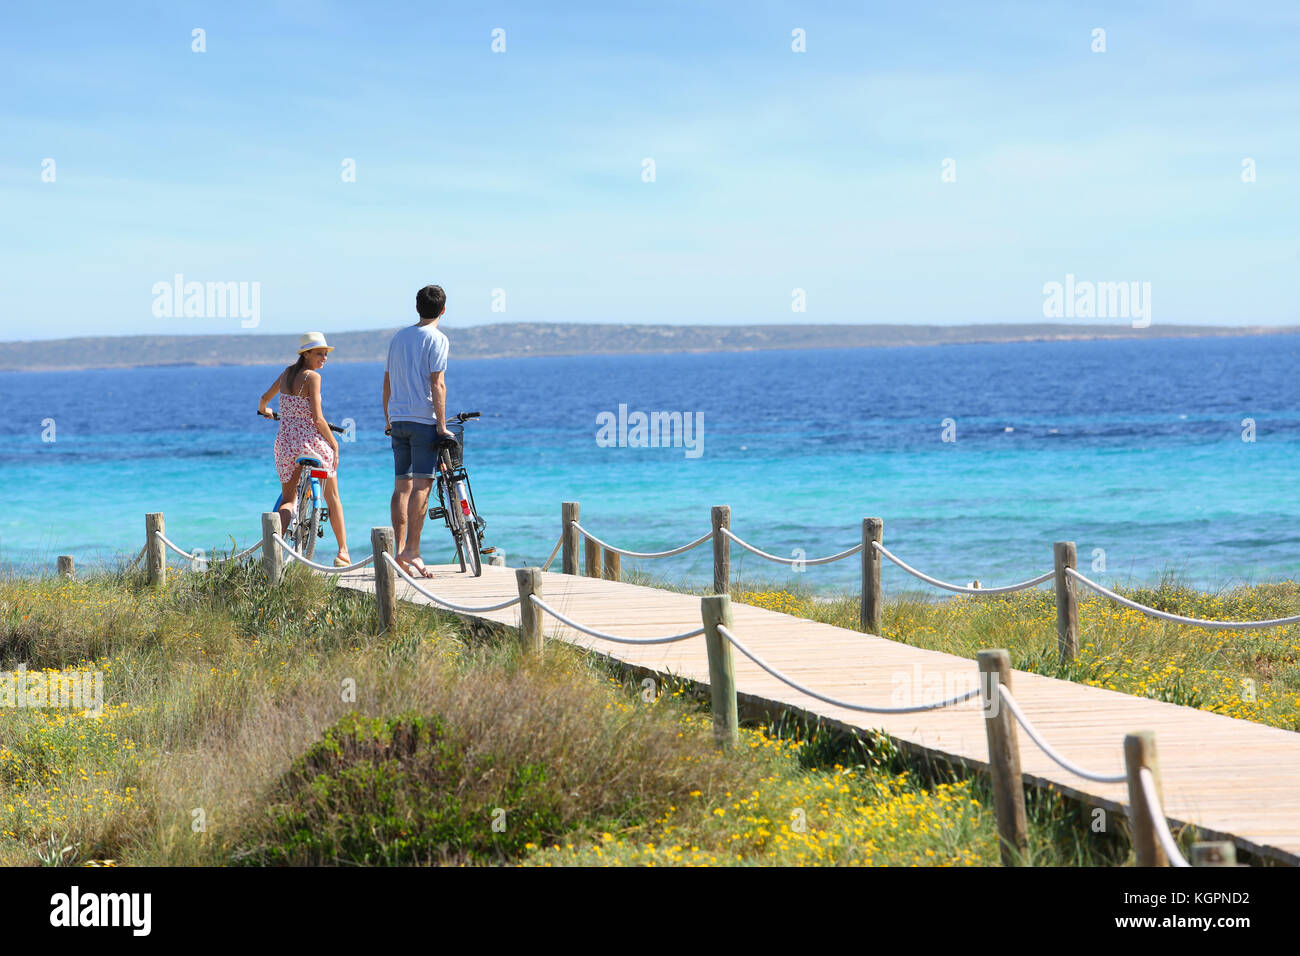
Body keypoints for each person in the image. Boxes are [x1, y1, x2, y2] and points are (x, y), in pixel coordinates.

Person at [257, 332, 351, 566]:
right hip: (310, 443)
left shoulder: (287, 373)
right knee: (333, 497)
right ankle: (343, 552)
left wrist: (266, 411)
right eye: (319, 353)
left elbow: (263, 399)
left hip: (285, 444)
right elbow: (318, 419)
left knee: (288, 500)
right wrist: (335, 443)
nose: (324, 358)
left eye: (325, 354)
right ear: (306, 354)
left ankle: (272, 548)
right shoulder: (312, 377)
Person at [383, 285, 454, 578]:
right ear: (443, 310)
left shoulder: (399, 337)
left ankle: (400, 552)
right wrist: (441, 425)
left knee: (402, 487)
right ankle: (412, 550)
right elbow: (437, 384)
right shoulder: (437, 339)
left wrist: (388, 418)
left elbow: (387, 382)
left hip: (398, 419)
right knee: (423, 485)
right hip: (422, 420)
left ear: (417, 307)